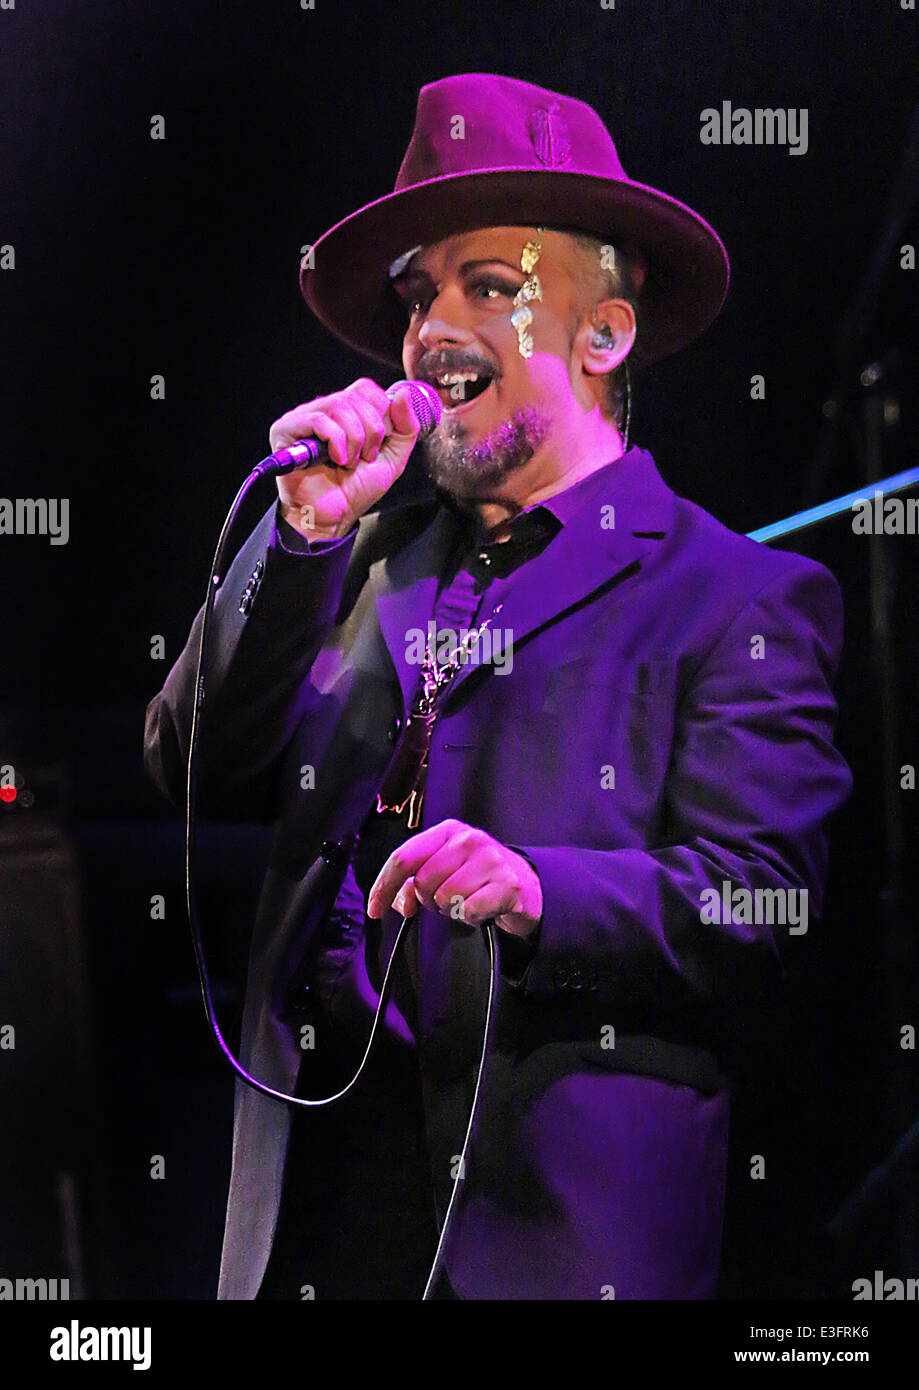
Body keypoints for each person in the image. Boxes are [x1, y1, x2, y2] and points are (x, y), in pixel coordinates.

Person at [144, 73, 853, 1300]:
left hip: (549, 1248)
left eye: (491, 288)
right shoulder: (352, 556)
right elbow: (189, 767)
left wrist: (539, 891)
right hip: (311, 1236)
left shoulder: (734, 595)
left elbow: (764, 909)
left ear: (604, 333)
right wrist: (300, 534)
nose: (431, 329)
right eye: (421, 295)